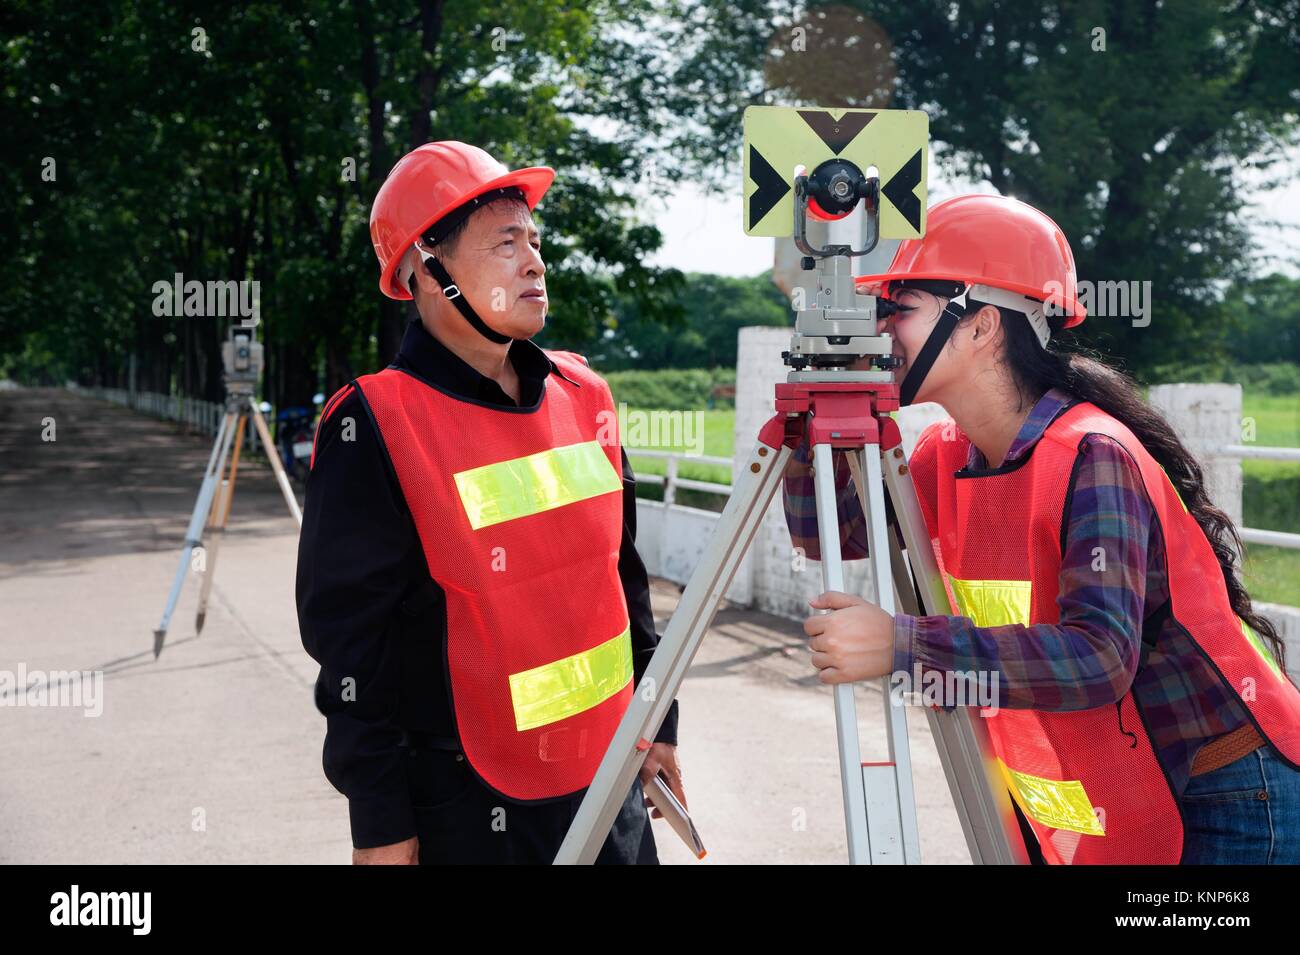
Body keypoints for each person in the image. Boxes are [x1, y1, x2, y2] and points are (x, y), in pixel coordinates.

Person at [783, 194, 1300, 864]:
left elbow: (1098, 656)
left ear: (982, 326)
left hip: (1230, 791)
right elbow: (832, 533)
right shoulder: (948, 453)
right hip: (1131, 777)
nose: (881, 331)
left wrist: (903, 644)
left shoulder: (1090, 453)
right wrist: (816, 411)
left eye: (900, 308)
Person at [298, 141, 685, 864]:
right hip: (471, 810)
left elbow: (622, 581)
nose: (535, 261)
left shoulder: (586, 395)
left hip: (610, 788)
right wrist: (380, 823)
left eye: (535, 241)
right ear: (424, 266)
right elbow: (352, 650)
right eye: (506, 243)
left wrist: (659, 718)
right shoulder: (375, 423)